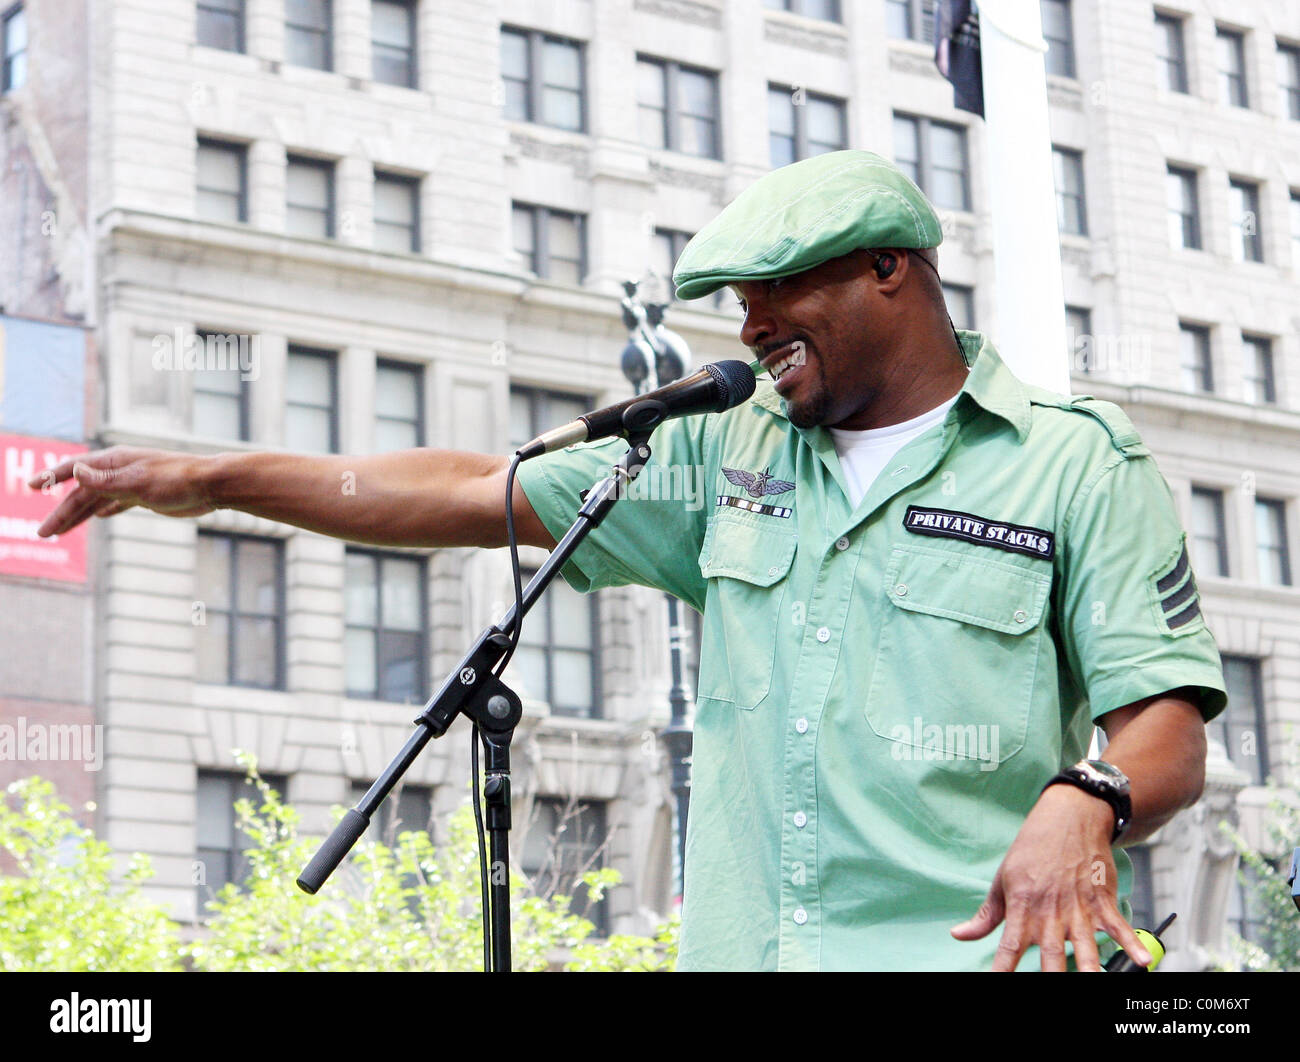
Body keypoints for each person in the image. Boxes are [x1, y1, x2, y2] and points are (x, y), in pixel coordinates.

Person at [32, 150, 1226, 972]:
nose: (749, 323)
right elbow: (462, 487)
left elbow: (1167, 731)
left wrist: (1089, 798)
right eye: (734, 298)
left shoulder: (1076, 467)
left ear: (888, 271)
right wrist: (213, 478)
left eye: (778, 286)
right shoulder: (717, 455)